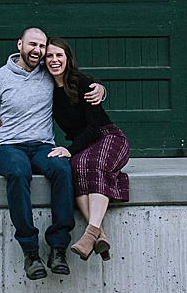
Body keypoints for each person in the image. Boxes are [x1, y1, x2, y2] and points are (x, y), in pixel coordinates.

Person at [0, 27, 105, 281]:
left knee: (61, 169)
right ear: (20, 45)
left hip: (42, 145)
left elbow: (78, 82)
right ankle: (30, 252)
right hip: (8, 147)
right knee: (18, 172)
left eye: (42, 46)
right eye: (32, 45)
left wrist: (100, 88)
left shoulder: (49, 74)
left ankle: (58, 248)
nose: (38, 50)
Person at [43, 37, 129, 262]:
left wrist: (70, 149)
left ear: (67, 58)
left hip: (107, 137)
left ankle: (90, 233)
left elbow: (93, 127)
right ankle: (99, 236)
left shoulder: (82, 83)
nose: (54, 60)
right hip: (84, 146)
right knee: (75, 167)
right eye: (49, 56)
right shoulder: (46, 90)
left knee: (92, 164)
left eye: (59, 55)